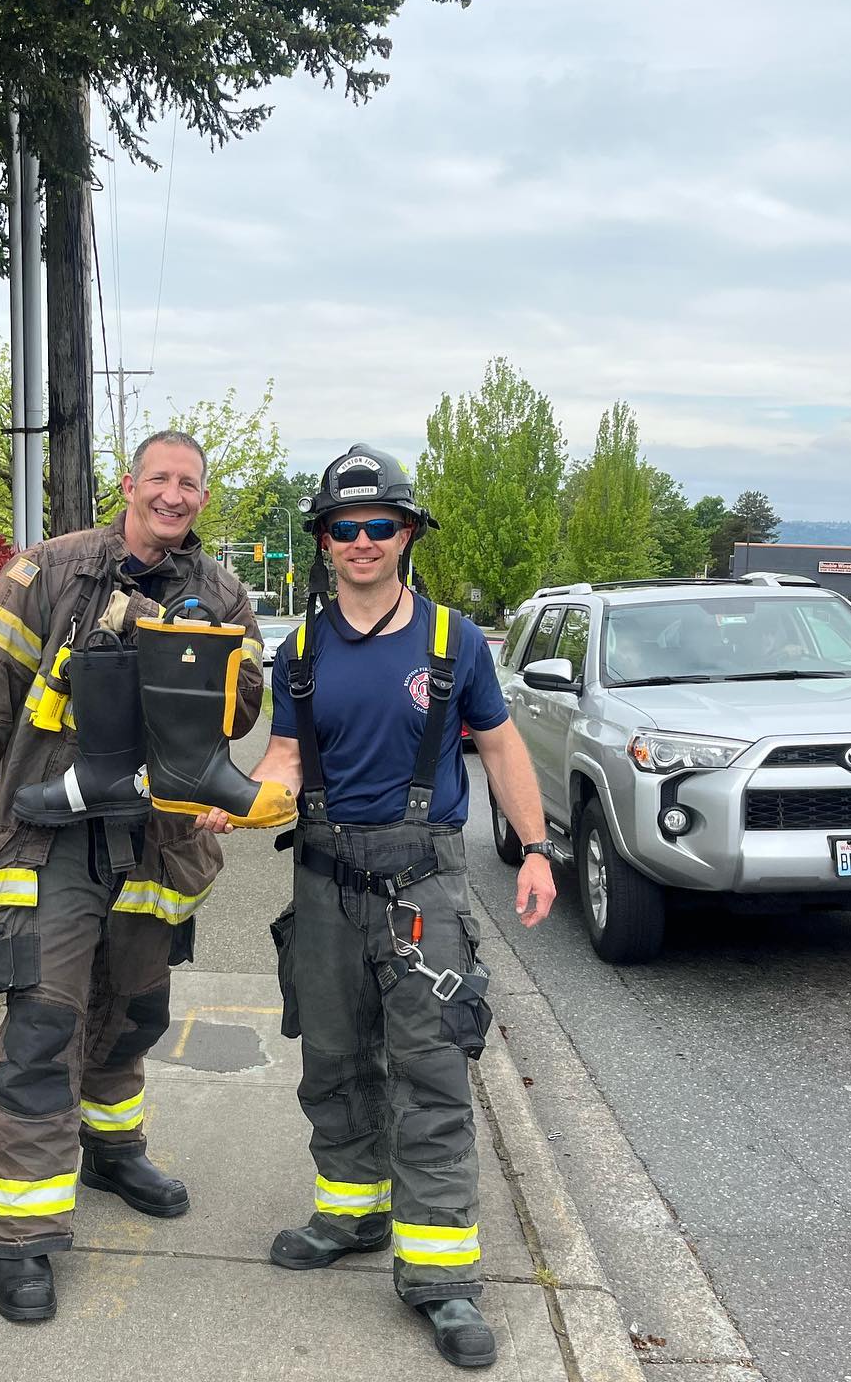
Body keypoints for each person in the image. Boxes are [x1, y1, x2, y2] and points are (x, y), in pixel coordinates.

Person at [197, 444, 556, 1369]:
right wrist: (235, 800)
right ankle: (352, 1211)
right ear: (323, 540)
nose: (362, 541)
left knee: (431, 1071)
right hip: (322, 882)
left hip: (422, 887)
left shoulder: (452, 641)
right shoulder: (302, 647)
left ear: (405, 535)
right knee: (334, 1057)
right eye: (344, 528)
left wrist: (538, 850)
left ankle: (441, 1277)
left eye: (379, 527)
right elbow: (286, 761)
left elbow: (504, 748)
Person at [0, 430, 264, 1323]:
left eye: (189, 483)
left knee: (132, 1012)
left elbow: (248, 704)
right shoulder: (50, 569)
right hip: (53, 837)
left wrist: (204, 664)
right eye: (159, 478)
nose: (174, 494)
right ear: (131, 484)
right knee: (43, 1025)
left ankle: (112, 1153)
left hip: (156, 844)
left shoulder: (221, 589)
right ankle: (24, 1237)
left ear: (202, 495)